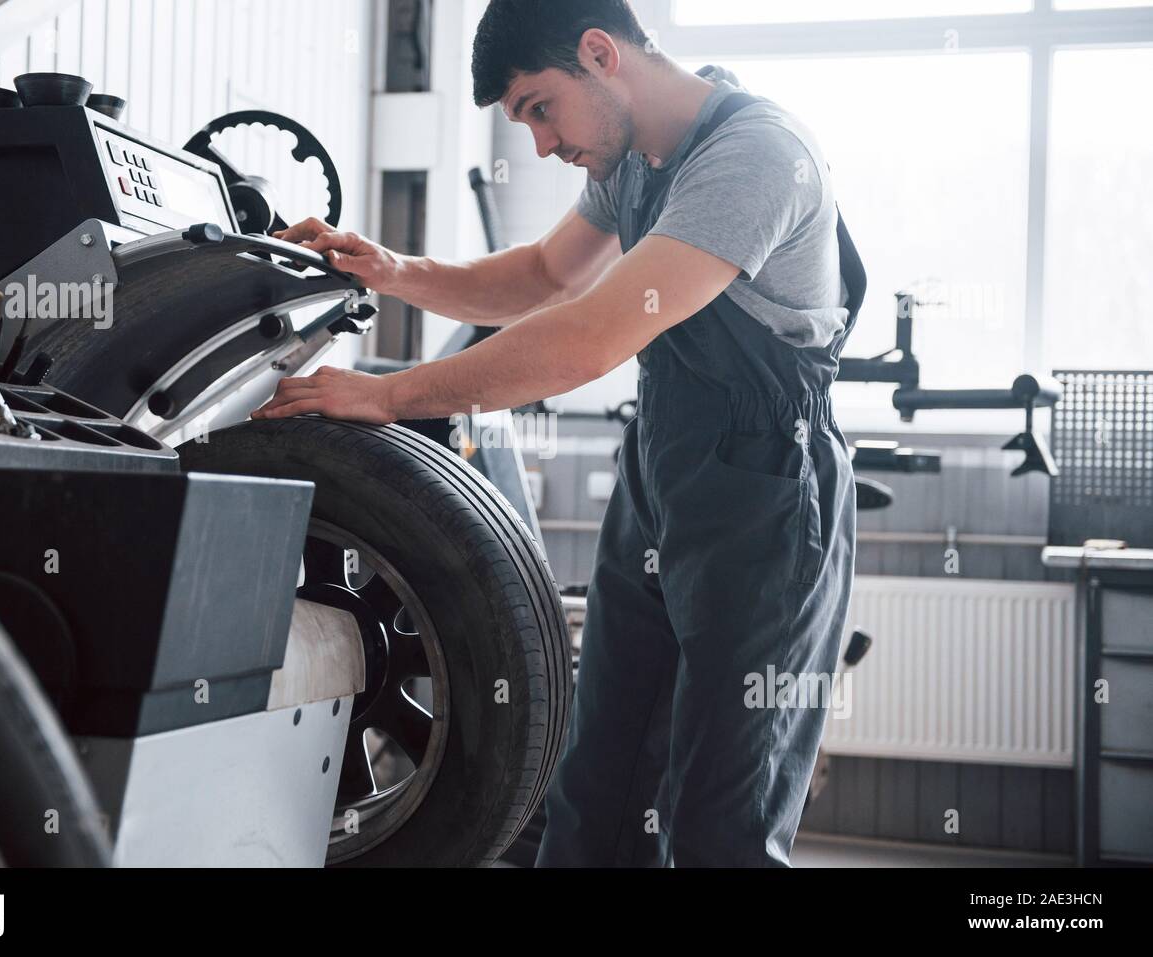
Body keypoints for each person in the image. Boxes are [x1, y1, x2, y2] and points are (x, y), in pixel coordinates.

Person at [256, 0, 862, 867]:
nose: (540, 144)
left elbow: (590, 334)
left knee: (722, 820)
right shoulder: (637, 160)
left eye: (539, 107)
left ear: (599, 53)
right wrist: (391, 271)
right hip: (666, 477)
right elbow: (545, 275)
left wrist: (390, 396)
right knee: (597, 792)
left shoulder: (755, 155)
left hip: (768, 491)